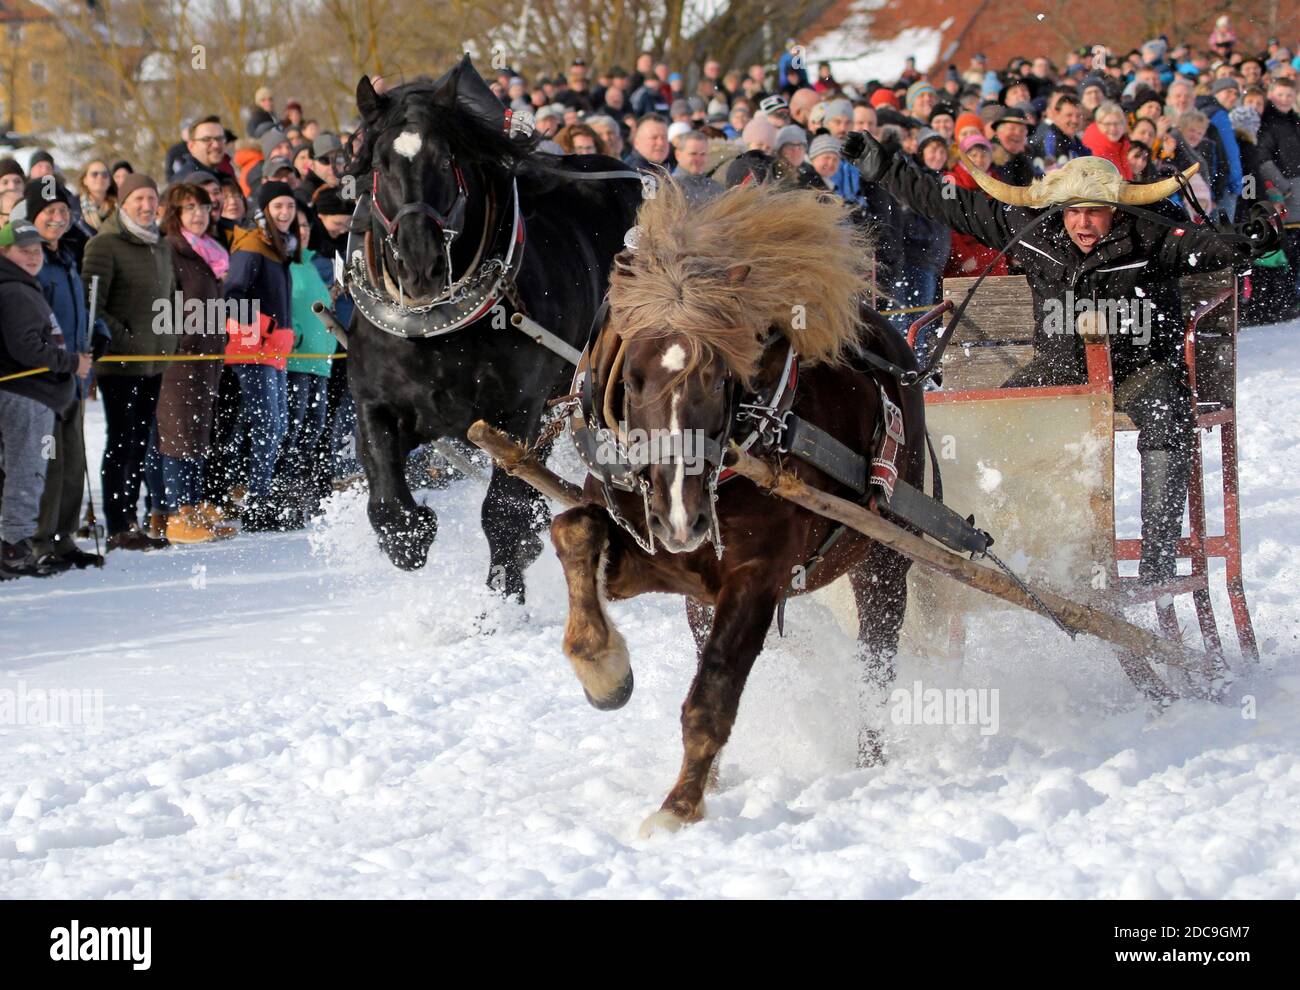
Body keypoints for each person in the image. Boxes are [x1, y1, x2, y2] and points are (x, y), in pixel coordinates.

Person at [844, 128, 1280, 585]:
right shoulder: (1030, 228)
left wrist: (1253, 238)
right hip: (1058, 377)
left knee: (1167, 415)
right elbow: (950, 203)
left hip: (1140, 371)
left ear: (1116, 210)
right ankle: (1008, 548)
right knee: (985, 429)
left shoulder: (1152, 232)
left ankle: (1158, 560)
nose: (1084, 224)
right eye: (1074, 212)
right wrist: (883, 166)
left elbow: (1206, 247)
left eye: (1095, 212)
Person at [81, 173, 177, 551]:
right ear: (123, 203)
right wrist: (127, 339)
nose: (146, 205)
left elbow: (170, 298)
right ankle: (118, 521)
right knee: (120, 440)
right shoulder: (105, 244)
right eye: (138, 198)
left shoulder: (161, 246)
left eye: (151, 198)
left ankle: (132, 521)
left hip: (154, 359)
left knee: (141, 440)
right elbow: (94, 307)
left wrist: (168, 339)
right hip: (121, 361)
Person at [0, 221, 90, 579]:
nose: (34, 256)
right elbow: (27, 347)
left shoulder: (23, 285)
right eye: (25, 250)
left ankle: (13, 545)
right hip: (25, 395)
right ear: (5, 253)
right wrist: (72, 363)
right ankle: (14, 548)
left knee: (24, 471)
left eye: (37, 250)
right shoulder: (13, 290)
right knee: (27, 472)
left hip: (33, 395)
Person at [27, 179, 107, 569]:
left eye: (63, 212)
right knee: (49, 462)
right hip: (42, 381)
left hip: (74, 378)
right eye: (49, 213)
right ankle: (37, 542)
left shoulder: (67, 259)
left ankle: (64, 538)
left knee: (74, 461)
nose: (58, 219)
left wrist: (100, 336)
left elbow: (83, 310)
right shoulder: (29, 261)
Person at [155, 183, 234, 543]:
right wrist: (183, 341)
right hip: (180, 359)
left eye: (203, 207)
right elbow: (164, 302)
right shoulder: (172, 250)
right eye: (189, 208)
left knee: (199, 433)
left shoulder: (209, 251)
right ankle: (176, 512)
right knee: (176, 435)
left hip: (208, 357)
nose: (198, 214)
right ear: (175, 214)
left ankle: (195, 506)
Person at [222, 180, 298, 531]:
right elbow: (233, 295)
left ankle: (262, 494)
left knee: (279, 425)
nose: (285, 213)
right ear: (264, 211)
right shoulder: (253, 245)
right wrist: (265, 328)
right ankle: (255, 500)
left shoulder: (279, 247)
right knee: (268, 426)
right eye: (278, 207)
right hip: (252, 350)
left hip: (275, 351)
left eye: (290, 206)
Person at [272, 205, 337, 525]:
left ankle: (302, 496)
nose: (305, 230)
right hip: (295, 361)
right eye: (298, 225)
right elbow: (277, 303)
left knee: (312, 434)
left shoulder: (311, 264)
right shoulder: (282, 263)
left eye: (308, 225)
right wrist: (292, 332)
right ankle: (281, 498)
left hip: (320, 364)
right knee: (291, 433)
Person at [1082, 101, 1134, 178]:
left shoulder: (1123, 147)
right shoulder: (1093, 151)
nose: (1113, 128)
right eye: (1107, 124)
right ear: (1098, 124)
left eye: (1117, 123)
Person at [670, 131, 723, 207]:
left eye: (703, 154)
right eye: (693, 154)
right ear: (678, 155)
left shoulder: (716, 187)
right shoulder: (670, 189)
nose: (699, 159)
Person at [77, 161, 116, 232]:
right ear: (85, 180)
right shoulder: (73, 207)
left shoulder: (121, 206)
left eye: (105, 174)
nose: (100, 177)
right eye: (94, 174)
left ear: (110, 180)